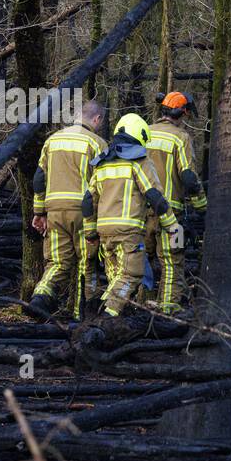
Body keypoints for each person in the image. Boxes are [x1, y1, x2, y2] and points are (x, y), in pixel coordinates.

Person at [82, 113, 181, 319]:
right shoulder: (139, 161)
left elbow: (88, 201)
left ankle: (101, 315)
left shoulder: (102, 164)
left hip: (105, 233)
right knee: (132, 274)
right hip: (128, 232)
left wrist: (90, 232)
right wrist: (173, 226)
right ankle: (106, 317)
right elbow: (155, 197)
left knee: (116, 277)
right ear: (139, 135)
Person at [27, 99, 107, 319]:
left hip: (54, 210)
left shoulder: (52, 140)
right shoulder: (97, 144)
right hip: (84, 212)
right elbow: (104, 181)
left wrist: (39, 212)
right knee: (87, 263)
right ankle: (82, 316)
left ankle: (39, 299)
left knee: (57, 262)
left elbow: (39, 178)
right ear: (97, 119)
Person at [142, 91, 208, 315]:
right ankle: (168, 309)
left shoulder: (145, 132)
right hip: (172, 215)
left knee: (141, 259)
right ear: (182, 113)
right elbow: (189, 177)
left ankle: (140, 304)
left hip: (141, 212)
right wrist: (202, 207)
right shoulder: (181, 138)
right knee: (173, 260)